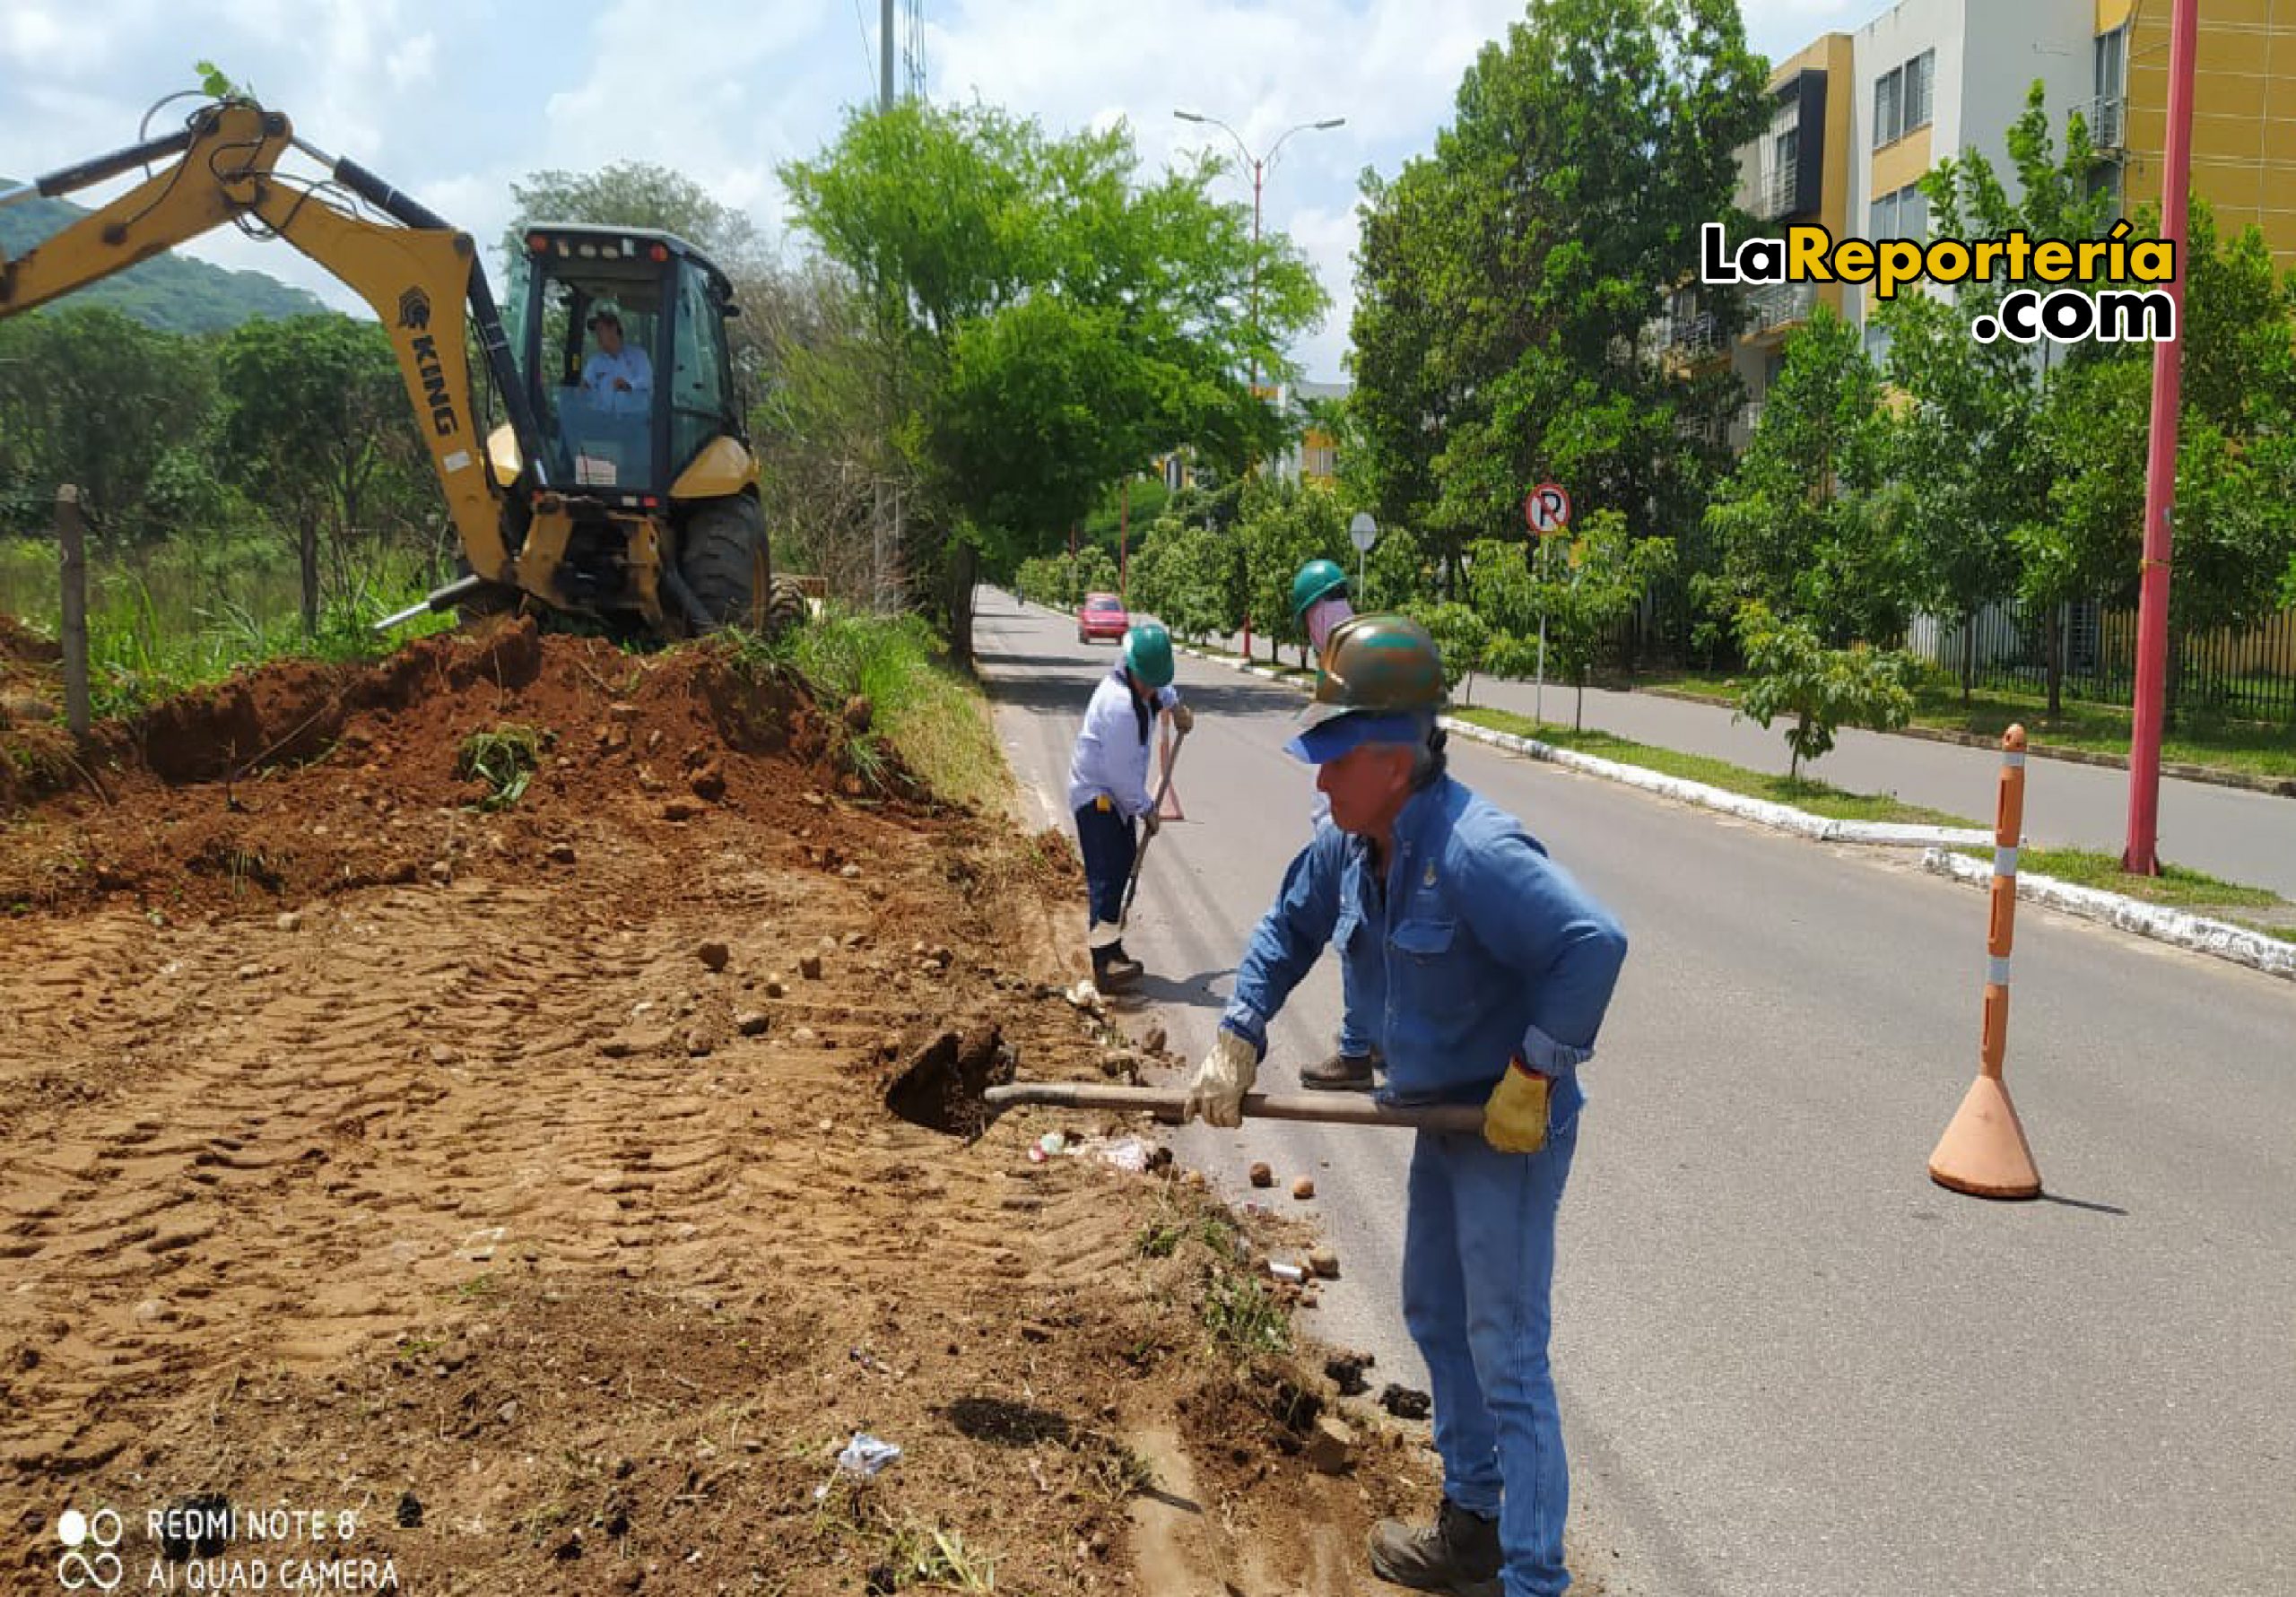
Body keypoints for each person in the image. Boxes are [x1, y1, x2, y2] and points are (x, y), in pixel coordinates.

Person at [1183, 613, 1628, 1597]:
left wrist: (1535, 1072)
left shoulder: (1473, 850)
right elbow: (1286, 929)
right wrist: (1239, 1033)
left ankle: (1534, 1579)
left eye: (1333, 759)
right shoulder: (1352, 846)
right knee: (1433, 1310)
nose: (1318, 780)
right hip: (1442, 1118)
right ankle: (1472, 1525)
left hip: (1510, 1124)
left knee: (1505, 1347)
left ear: (1391, 759)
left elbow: (1592, 943)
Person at [1288, 557, 1379, 1092]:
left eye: (1306, 618)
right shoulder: (1360, 648)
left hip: (1351, 820)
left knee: (1354, 932)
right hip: (1369, 811)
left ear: (1315, 612)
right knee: (1378, 930)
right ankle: (1377, 1035)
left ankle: (1355, 1051)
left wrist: (1331, 823)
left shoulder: (1342, 660)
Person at [1066, 621, 1194, 990]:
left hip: (1116, 796)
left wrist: (1177, 706)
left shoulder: (1141, 683)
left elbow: (1160, 689)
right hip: (1098, 796)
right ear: (1134, 669)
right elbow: (1120, 776)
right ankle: (1103, 963)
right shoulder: (1120, 705)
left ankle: (1112, 947)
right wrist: (1147, 809)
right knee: (1108, 875)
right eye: (1149, 681)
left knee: (1122, 864)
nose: (1153, 688)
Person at [579, 301, 652, 414]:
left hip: (634, 419)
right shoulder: (594, 362)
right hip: (602, 419)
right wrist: (584, 389)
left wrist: (628, 385)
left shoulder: (638, 355)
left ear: (613, 329)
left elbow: (646, 381)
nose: (597, 335)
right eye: (596, 332)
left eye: (600, 330)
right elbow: (586, 387)